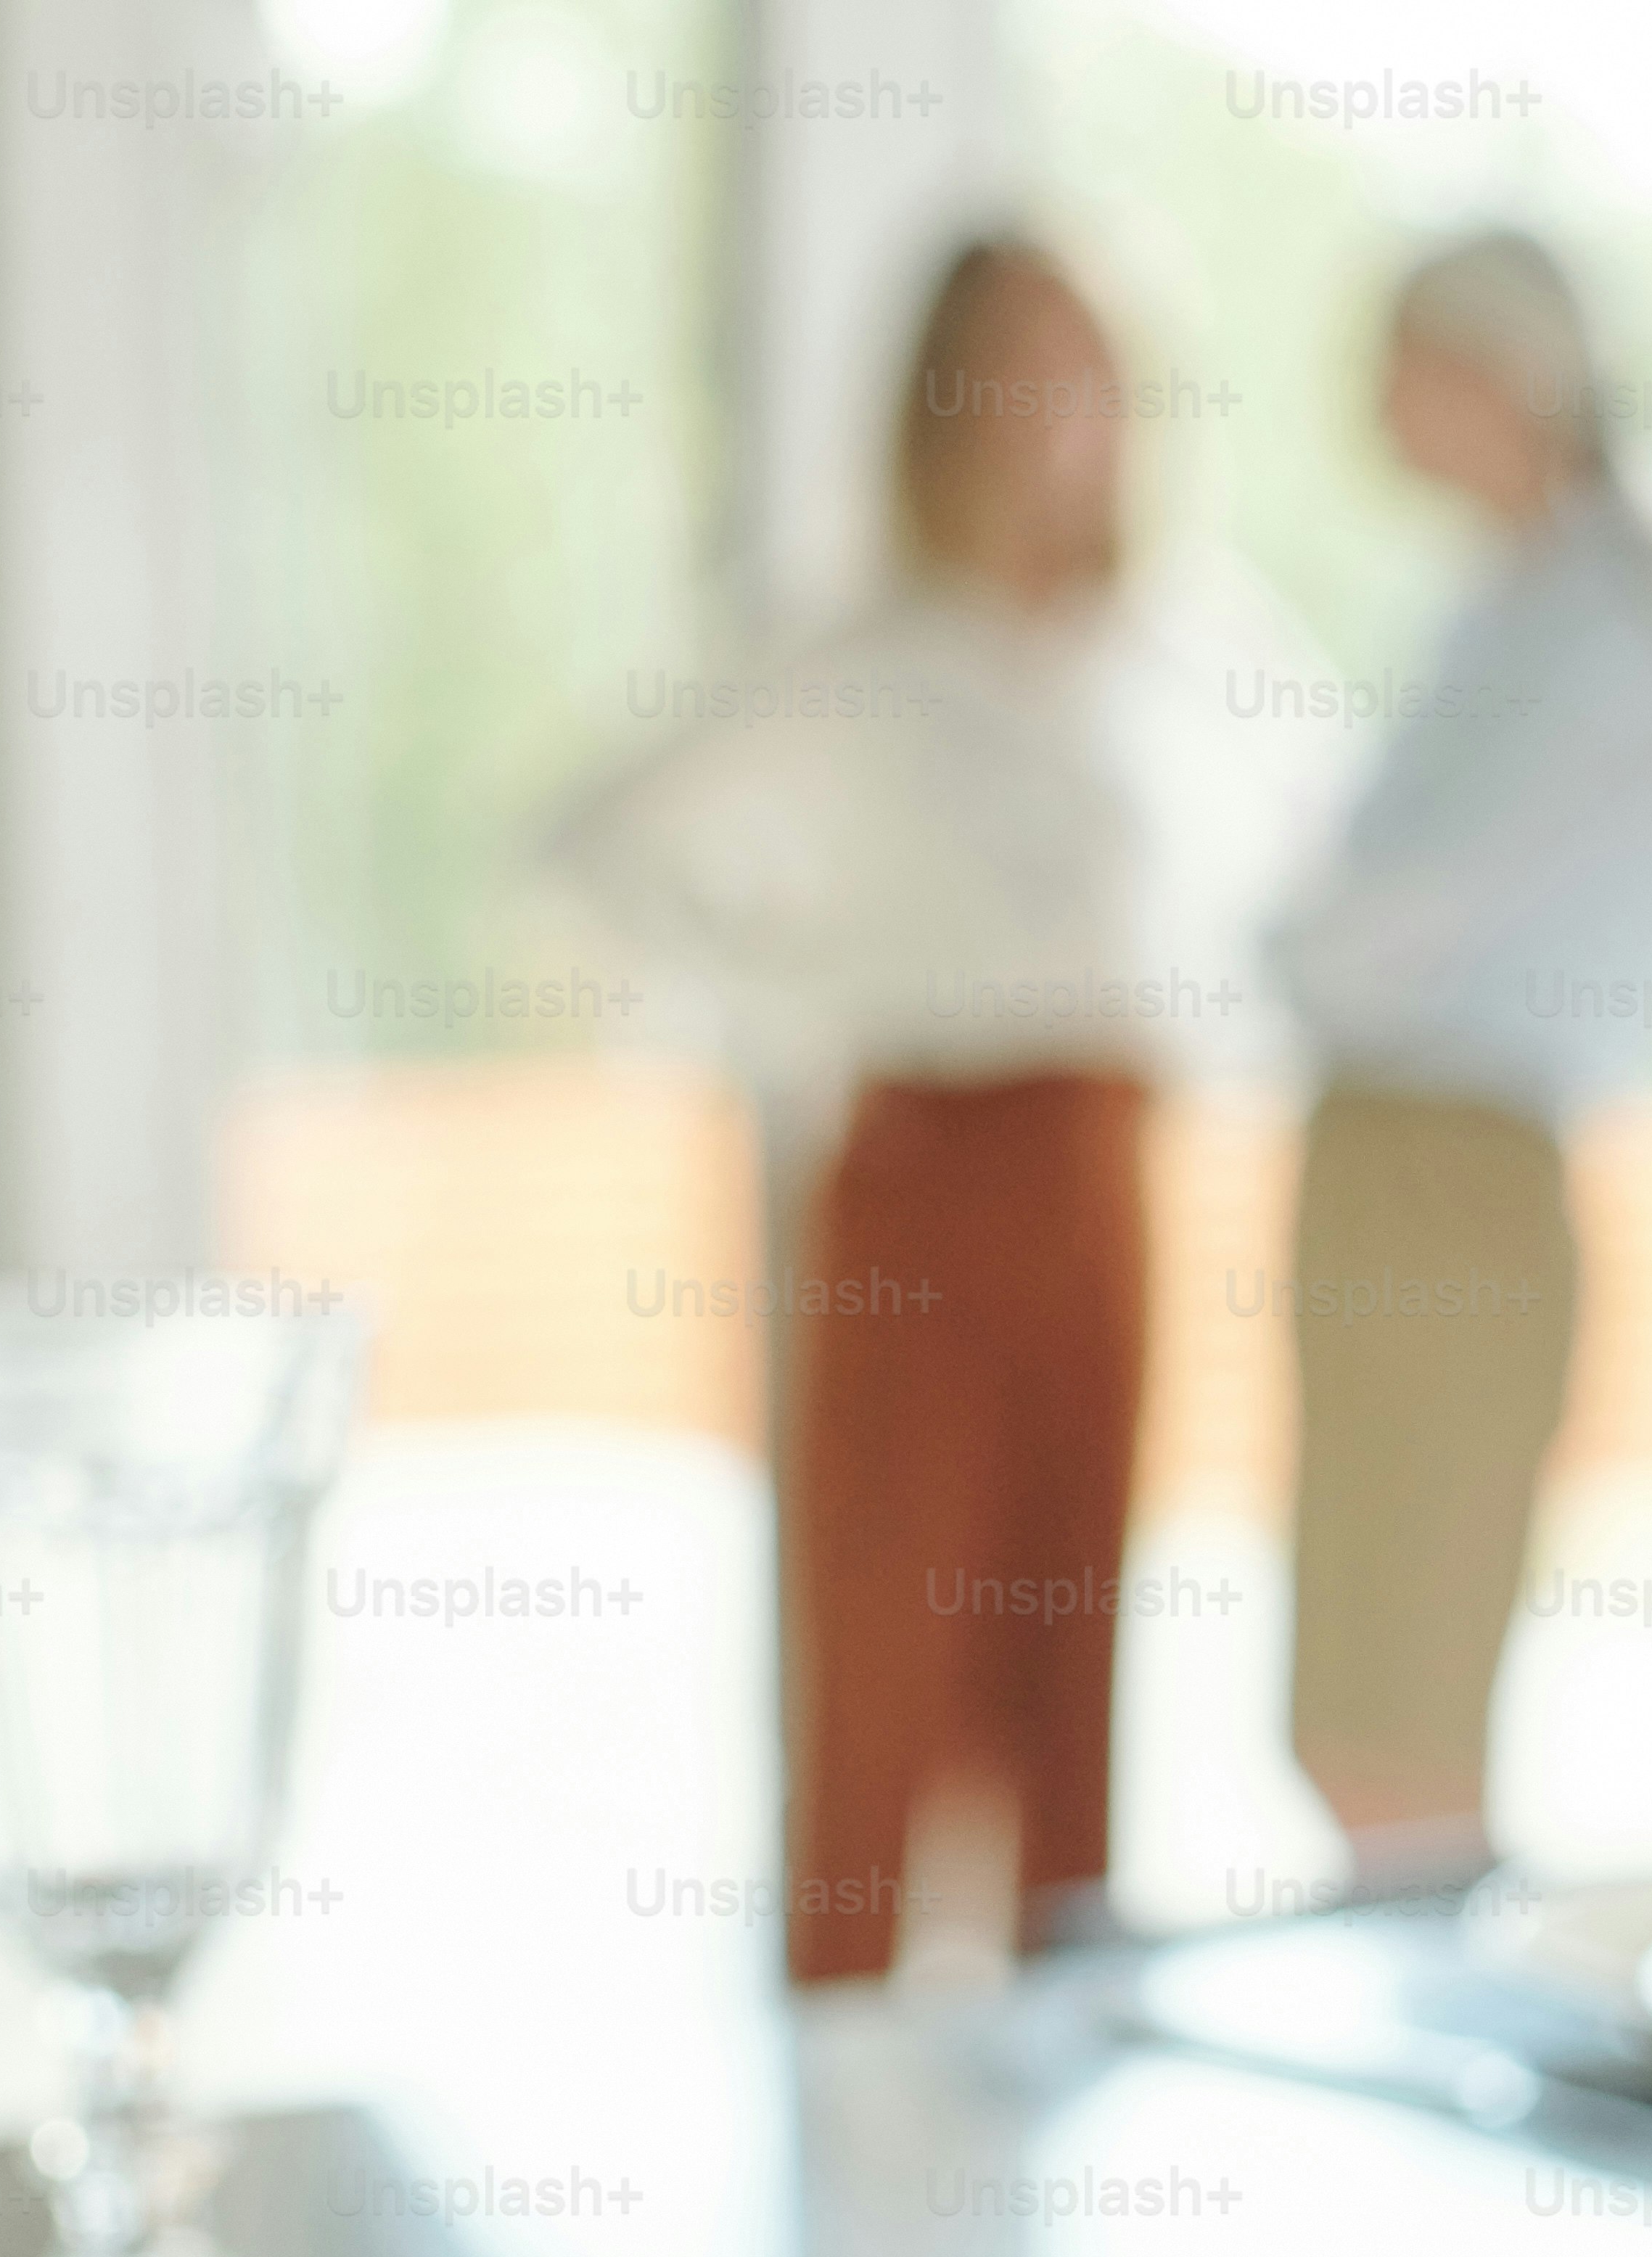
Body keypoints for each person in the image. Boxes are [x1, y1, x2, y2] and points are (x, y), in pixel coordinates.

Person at [547, 235, 1323, 1985]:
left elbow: (1340, 858)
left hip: (1105, 1163)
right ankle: (836, 2068)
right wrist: (805, 989)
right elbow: (590, 839)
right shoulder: (855, 644)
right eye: (1017, 365)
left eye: (1086, 367)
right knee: (884, 1642)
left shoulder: (1187, 635)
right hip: (917, 1167)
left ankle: (1059, 2060)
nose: (1058, 411)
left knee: (1075, 1648)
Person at [1270, 229, 1652, 1896]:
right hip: (1405, 1155)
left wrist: (1276, 940)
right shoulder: (1509, 605)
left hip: (1453, 1168)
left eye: (1401, 359)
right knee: (1362, 1699)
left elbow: (1373, 918)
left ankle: (1431, 2068)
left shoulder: (1595, 621)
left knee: (1403, 1713)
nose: (1372, 402)